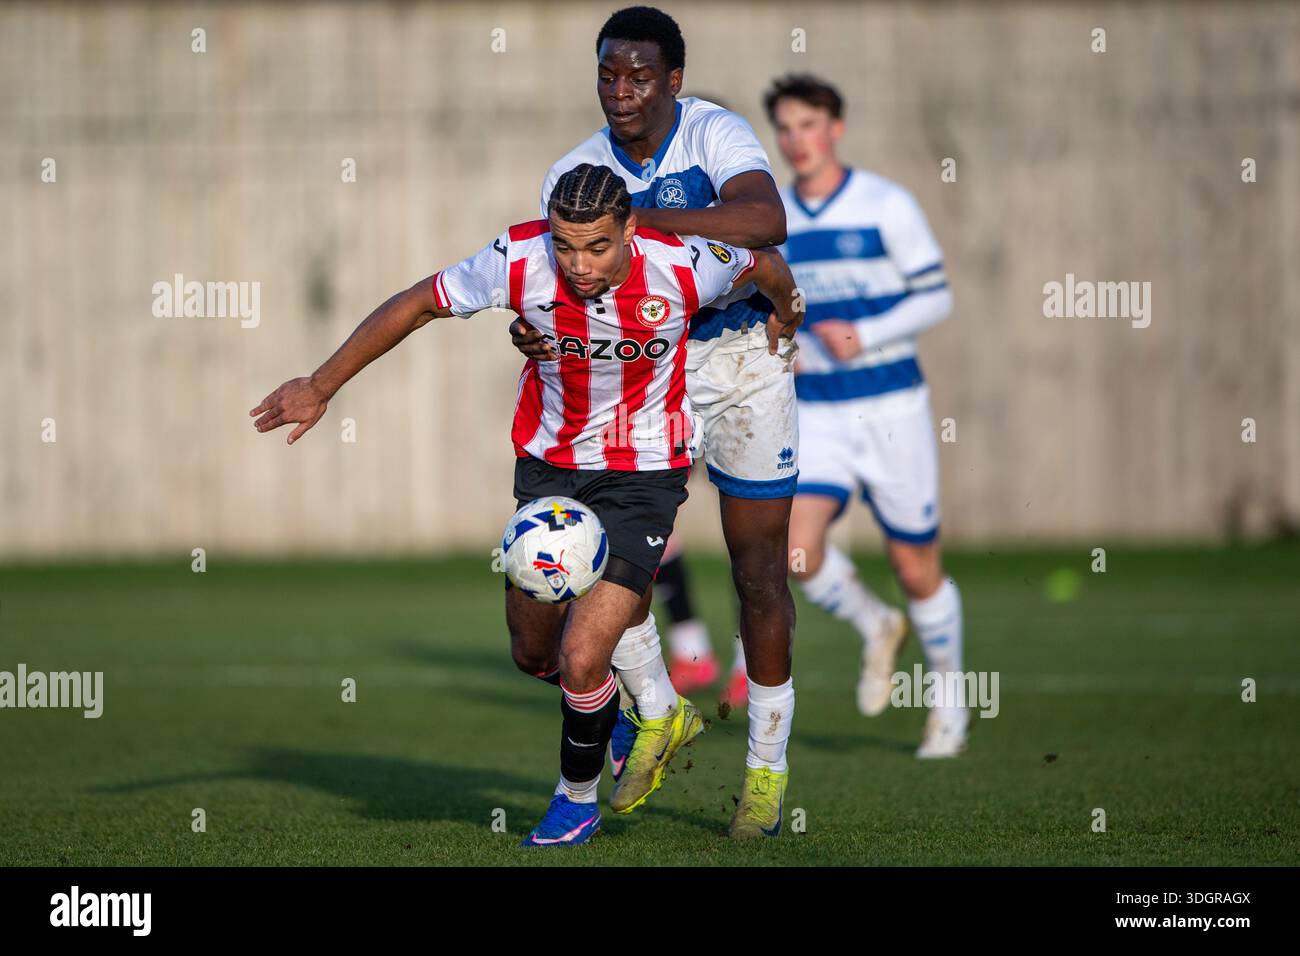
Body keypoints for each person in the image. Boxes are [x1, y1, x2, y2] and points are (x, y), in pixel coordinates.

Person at [250, 163, 802, 844]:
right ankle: (641, 714)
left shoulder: (685, 262)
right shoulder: (518, 258)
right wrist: (321, 384)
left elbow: (764, 263)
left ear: (630, 228)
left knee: (581, 657)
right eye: (565, 245)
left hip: (643, 478)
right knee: (533, 655)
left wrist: (789, 312)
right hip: (549, 473)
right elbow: (416, 302)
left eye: (597, 246)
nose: (578, 264)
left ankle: (575, 800)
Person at [511, 6, 800, 836]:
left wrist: (638, 224)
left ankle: (766, 773)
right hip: (644, 369)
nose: (621, 91)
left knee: (758, 572)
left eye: (639, 75)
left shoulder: (714, 133)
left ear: (674, 80)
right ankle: (660, 708)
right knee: (604, 561)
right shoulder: (574, 171)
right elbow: (556, 281)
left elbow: (764, 223)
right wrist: (528, 331)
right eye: (608, 74)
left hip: (743, 360)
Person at [763, 74, 967, 758]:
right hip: (817, 413)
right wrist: (781, 344)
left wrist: (865, 332)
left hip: (892, 409)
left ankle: (949, 701)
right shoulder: (778, 219)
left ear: (836, 127)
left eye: (809, 124)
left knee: (915, 568)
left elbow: (935, 298)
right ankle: (877, 624)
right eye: (786, 128)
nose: (797, 140)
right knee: (797, 550)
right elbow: (776, 311)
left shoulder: (887, 204)